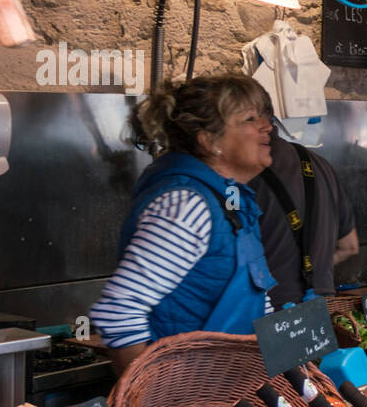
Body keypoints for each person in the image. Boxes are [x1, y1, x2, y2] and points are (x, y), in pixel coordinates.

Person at [92, 75, 276, 374]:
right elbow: (119, 311)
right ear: (210, 141)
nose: (267, 126)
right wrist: (147, 398)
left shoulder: (230, 198)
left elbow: (254, 297)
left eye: (265, 116)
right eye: (250, 118)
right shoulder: (187, 205)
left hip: (225, 391)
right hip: (183, 398)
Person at [252, 124, 359, 306]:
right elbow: (349, 246)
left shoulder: (241, 176)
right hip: (322, 306)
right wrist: (315, 267)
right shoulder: (321, 164)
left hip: (271, 313)